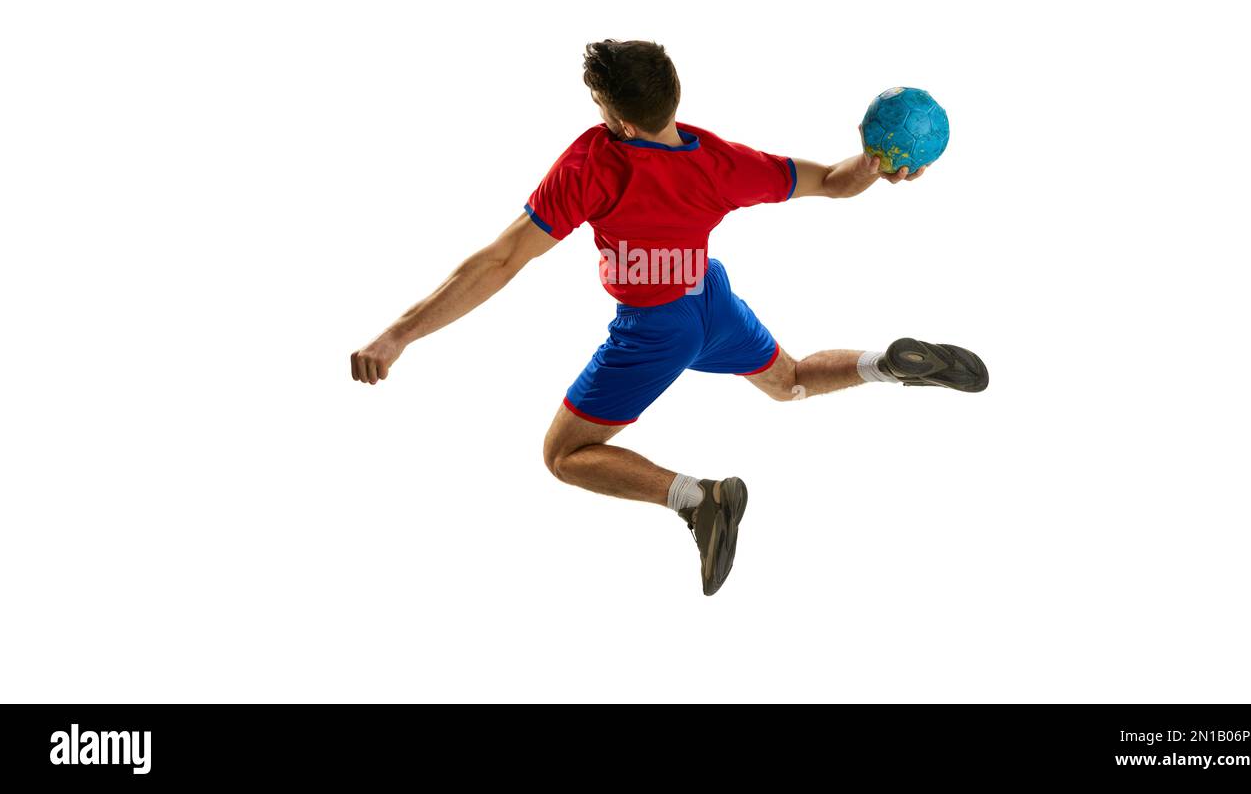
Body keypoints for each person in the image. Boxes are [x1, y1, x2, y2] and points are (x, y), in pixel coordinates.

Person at [350, 39, 988, 595]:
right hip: (710, 300)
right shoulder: (719, 162)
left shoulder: (590, 166)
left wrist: (399, 333)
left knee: (564, 455)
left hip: (655, 328)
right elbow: (834, 182)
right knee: (790, 381)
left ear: (619, 118)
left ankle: (700, 498)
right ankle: (891, 365)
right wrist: (876, 166)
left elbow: (500, 261)